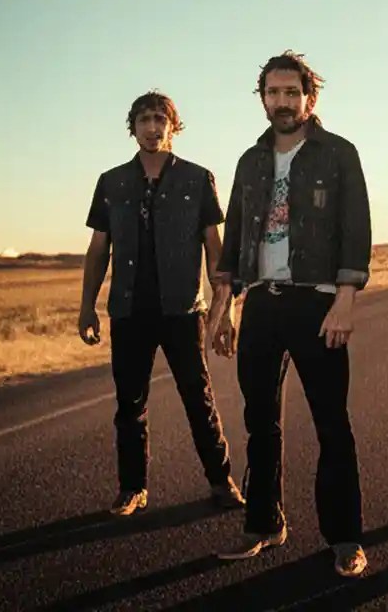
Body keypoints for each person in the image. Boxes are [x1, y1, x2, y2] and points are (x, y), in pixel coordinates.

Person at [210, 51, 371, 577]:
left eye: (290, 93)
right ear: (263, 99)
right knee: (260, 421)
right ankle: (264, 524)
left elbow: (356, 231)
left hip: (317, 301)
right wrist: (225, 308)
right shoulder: (249, 161)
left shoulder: (339, 154)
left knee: (332, 424)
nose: (281, 102)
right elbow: (233, 241)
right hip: (260, 302)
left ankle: (345, 538)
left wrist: (345, 300)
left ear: (309, 97)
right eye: (272, 93)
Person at [79, 90, 243, 517]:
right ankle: (132, 488)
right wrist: (86, 307)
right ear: (132, 127)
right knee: (129, 403)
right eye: (144, 120)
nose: (152, 128)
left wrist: (224, 309)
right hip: (129, 311)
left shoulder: (196, 178)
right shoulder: (111, 182)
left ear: (173, 126)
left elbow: (214, 247)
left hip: (182, 311)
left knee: (198, 397)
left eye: (160, 119)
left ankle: (221, 480)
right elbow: (98, 249)